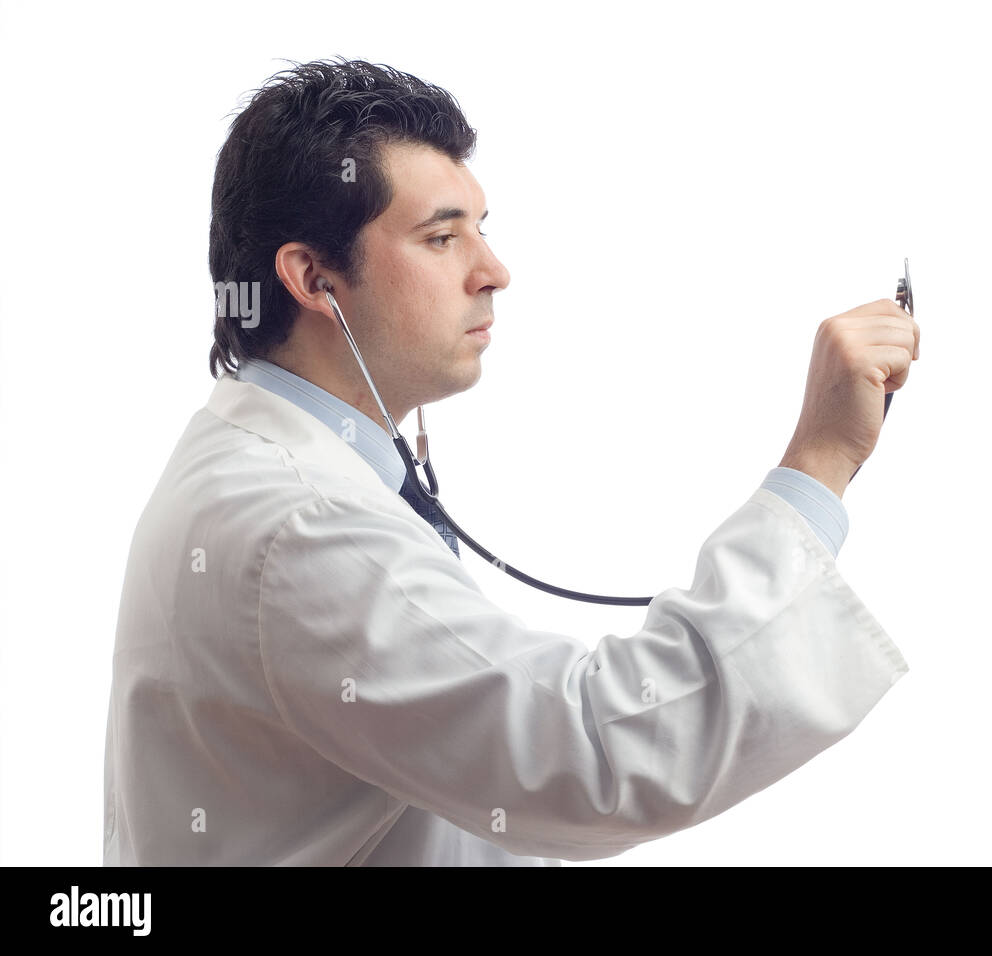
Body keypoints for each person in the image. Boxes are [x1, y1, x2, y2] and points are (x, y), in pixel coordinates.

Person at [103, 58, 921, 866]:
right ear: (314, 278)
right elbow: (587, 757)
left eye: (482, 231)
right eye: (441, 236)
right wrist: (821, 461)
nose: (493, 272)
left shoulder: (263, 468)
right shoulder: (299, 522)